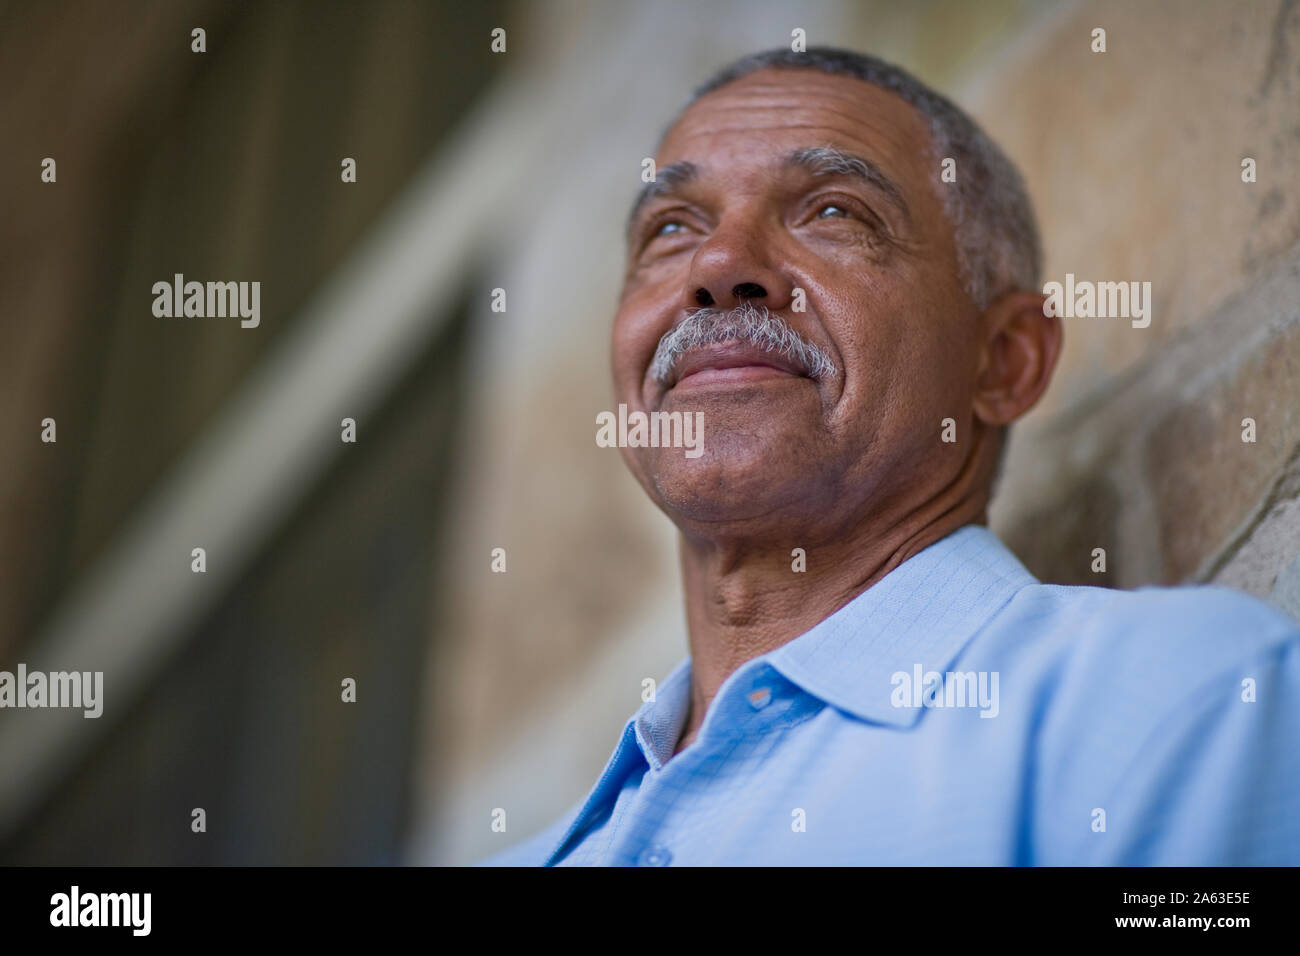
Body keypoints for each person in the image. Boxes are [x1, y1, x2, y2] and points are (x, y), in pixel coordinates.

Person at [483, 47, 1300, 866]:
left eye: (833, 212)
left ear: (1003, 360)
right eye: (671, 229)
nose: (719, 266)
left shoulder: (1178, 703)